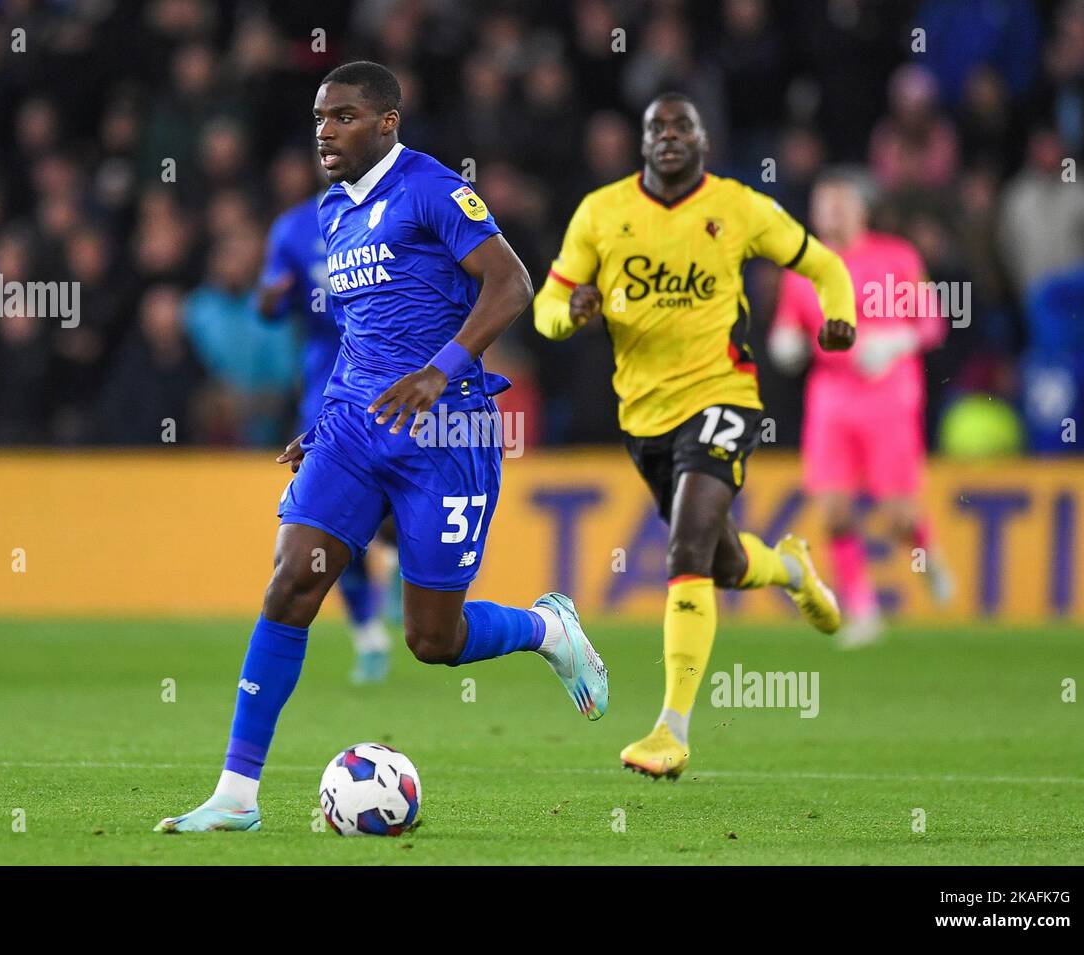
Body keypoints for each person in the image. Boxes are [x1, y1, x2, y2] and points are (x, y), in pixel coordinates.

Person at [156, 62, 608, 833]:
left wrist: (440, 373)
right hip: (356, 427)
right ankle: (236, 793)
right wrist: (326, 418)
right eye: (319, 117)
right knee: (292, 581)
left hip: (447, 431)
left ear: (387, 122)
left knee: (434, 639)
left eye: (343, 116)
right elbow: (360, 334)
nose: (325, 131)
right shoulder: (331, 212)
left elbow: (512, 284)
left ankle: (547, 629)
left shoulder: (433, 189)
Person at [534, 93, 854, 780]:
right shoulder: (602, 211)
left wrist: (840, 316)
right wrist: (572, 313)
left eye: (683, 125)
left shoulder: (738, 206)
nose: (670, 135)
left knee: (683, 546)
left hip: (724, 396)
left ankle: (669, 730)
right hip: (644, 417)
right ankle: (792, 568)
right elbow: (545, 308)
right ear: (642, 142)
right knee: (724, 565)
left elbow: (823, 265)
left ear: (705, 139)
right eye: (658, 127)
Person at [770, 169, 953, 647]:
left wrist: (896, 341)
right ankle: (862, 609)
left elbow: (932, 324)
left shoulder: (896, 257)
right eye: (822, 204)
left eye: (840, 203)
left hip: (890, 392)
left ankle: (925, 549)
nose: (830, 212)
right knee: (832, 508)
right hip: (831, 393)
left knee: (896, 515)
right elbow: (790, 328)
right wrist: (784, 342)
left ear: (861, 210)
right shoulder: (803, 269)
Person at [259, 171, 393, 684]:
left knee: (392, 500)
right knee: (329, 522)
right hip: (327, 389)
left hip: (391, 378)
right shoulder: (293, 229)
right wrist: (272, 299)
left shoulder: (397, 212)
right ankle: (368, 634)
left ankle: (405, 560)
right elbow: (269, 303)